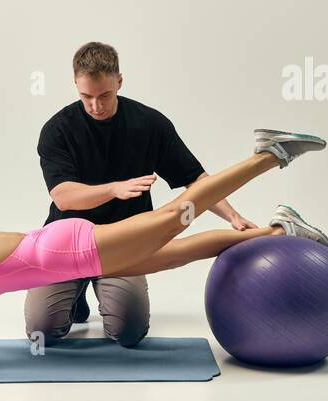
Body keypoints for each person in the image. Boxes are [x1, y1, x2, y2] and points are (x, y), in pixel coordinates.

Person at [0, 130, 328, 377]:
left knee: (173, 217)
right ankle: (280, 228)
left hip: (72, 246)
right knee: (177, 251)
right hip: (68, 250)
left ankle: (271, 155)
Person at [29, 42, 260, 349]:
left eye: (105, 96)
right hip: (67, 243)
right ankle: (75, 294)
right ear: (75, 84)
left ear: (119, 82)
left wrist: (232, 216)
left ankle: (97, 286)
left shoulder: (150, 124)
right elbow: (64, 197)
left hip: (126, 245)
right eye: (86, 96)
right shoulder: (57, 129)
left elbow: (196, 181)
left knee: (129, 333)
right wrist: (113, 189)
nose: (96, 105)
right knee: (41, 332)